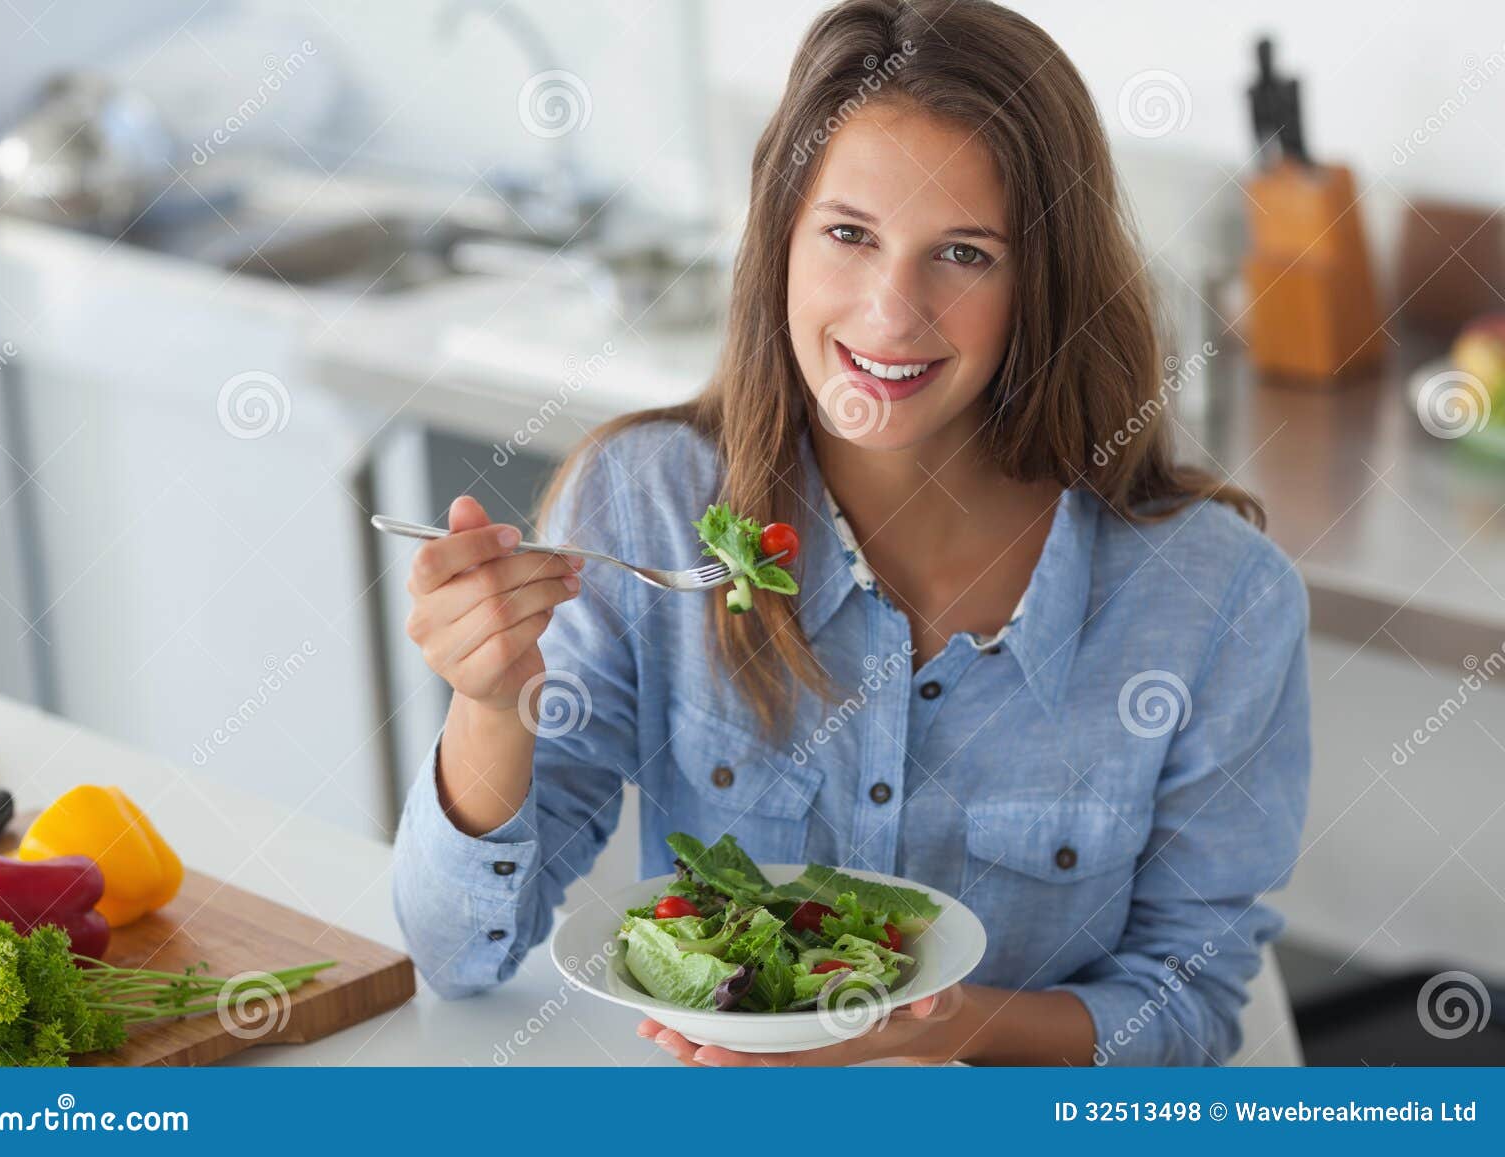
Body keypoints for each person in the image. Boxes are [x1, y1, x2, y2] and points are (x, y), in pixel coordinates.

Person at [392, 0, 1309, 1066]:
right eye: (848, 234)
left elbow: (1186, 1013)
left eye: (962, 253)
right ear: (778, 234)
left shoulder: (1218, 597)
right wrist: (489, 702)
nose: (888, 314)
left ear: (1042, 285)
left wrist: (925, 1030)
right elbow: (454, 954)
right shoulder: (640, 501)